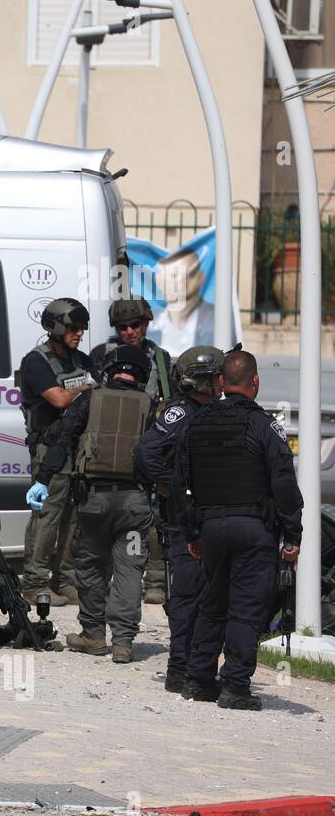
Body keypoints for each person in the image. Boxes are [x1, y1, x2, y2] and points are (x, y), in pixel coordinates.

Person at [178, 349, 303, 710]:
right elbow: (284, 485)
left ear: (220, 383)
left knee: (212, 604)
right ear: (255, 382)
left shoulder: (195, 424)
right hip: (254, 531)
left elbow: (182, 483)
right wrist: (292, 536)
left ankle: (198, 679)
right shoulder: (265, 426)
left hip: (211, 529)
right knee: (246, 609)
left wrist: (192, 534)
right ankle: (234, 687)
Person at [27, 344, 157, 662]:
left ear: (109, 368)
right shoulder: (150, 405)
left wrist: (43, 478)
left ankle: (94, 635)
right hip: (136, 505)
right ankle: (124, 642)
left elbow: (64, 440)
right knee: (129, 571)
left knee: (91, 569)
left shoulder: (90, 399)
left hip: (94, 503)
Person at [133, 346, 225, 692]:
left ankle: (199, 669)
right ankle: (180, 671)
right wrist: (175, 484)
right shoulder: (181, 412)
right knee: (187, 597)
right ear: (198, 381)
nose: (220, 383)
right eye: (215, 378)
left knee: (207, 597)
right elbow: (145, 451)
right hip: (183, 523)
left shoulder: (212, 411)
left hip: (208, 519)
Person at [90, 296, 174, 606]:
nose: (129, 332)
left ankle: (154, 580)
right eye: (122, 326)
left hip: (147, 447)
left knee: (153, 516)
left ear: (146, 324)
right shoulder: (101, 355)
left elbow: (171, 401)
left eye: (134, 325)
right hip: (109, 447)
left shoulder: (161, 360)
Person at [16, 297, 95, 606]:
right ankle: (34, 583)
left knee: (75, 516)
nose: (79, 333)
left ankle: (66, 580)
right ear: (56, 327)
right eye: (73, 328)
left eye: (82, 328)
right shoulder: (36, 361)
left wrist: (80, 390)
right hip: (49, 449)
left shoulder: (83, 361)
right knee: (47, 515)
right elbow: (59, 401)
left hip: (79, 448)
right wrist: (83, 390)